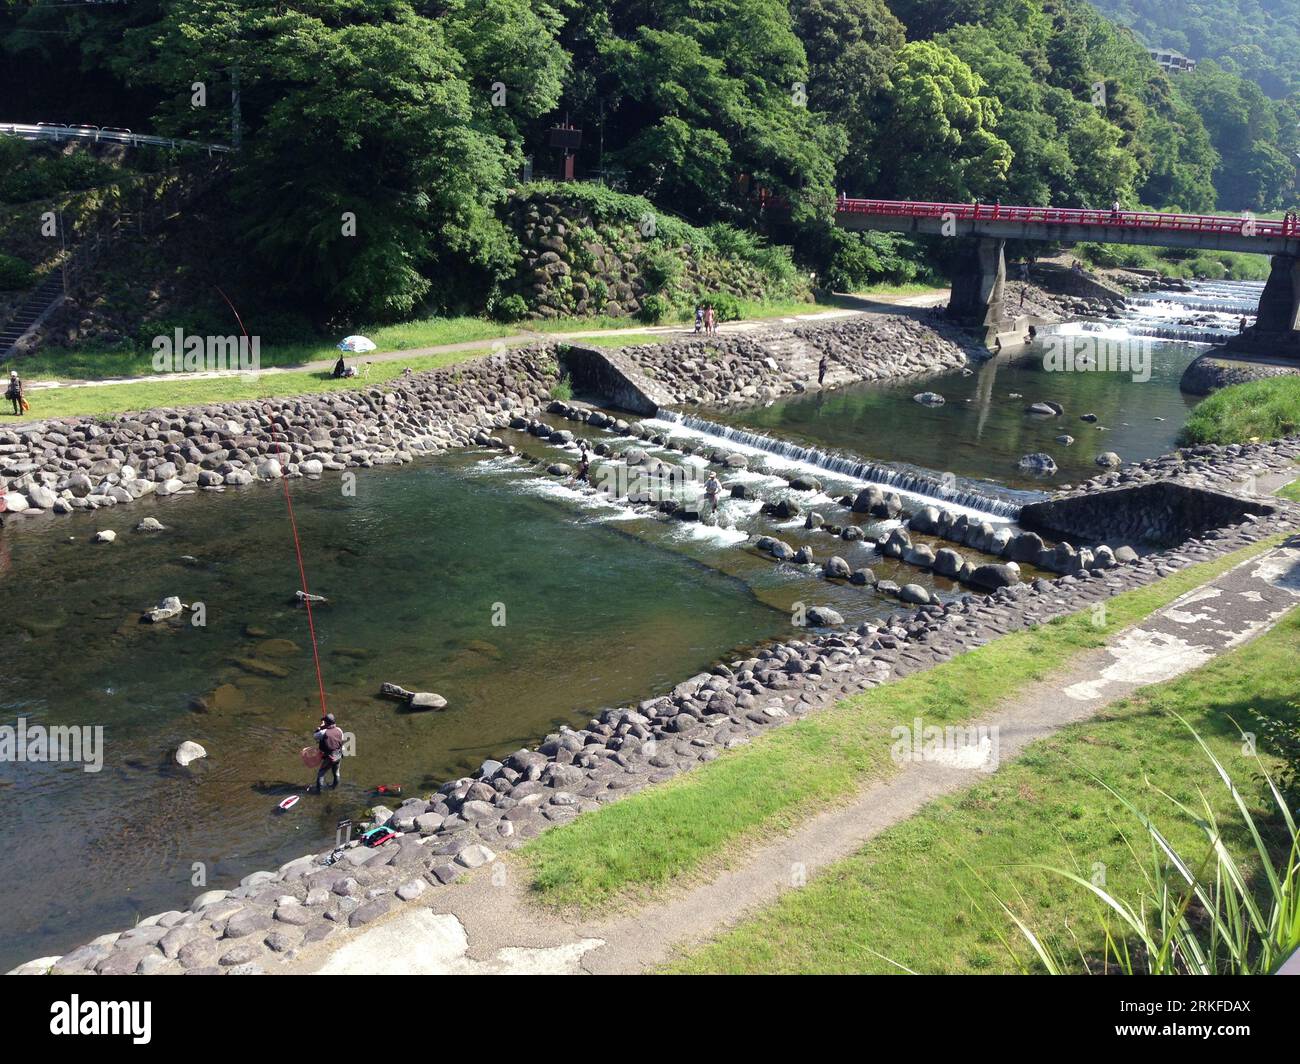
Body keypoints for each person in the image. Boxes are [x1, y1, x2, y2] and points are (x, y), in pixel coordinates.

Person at [312, 713, 344, 792]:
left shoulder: (323, 732)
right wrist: (324, 727)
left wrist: (319, 728)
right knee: (336, 772)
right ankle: (334, 787)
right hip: (339, 755)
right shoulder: (339, 730)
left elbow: (315, 736)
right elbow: (341, 739)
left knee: (321, 773)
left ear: (326, 722)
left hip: (329, 757)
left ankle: (319, 792)